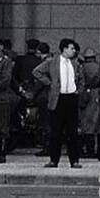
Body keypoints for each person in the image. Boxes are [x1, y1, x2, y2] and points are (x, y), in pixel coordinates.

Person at [34, 38, 85, 168]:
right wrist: (50, 83)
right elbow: (37, 72)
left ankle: (74, 160)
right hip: (58, 98)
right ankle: (53, 159)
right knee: (56, 131)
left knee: (72, 131)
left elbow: (81, 79)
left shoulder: (76, 63)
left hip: (71, 97)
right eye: (71, 48)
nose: (73, 51)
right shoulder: (52, 62)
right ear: (64, 49)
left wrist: (78, 90)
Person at [79, 47, 100, 161]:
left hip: (87, 95)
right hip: (98, 95)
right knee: (97, 123)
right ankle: (99, 150)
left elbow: (81, 83)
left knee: (86, 124)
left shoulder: (82, 67)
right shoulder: (99, 67)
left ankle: (89, 150)